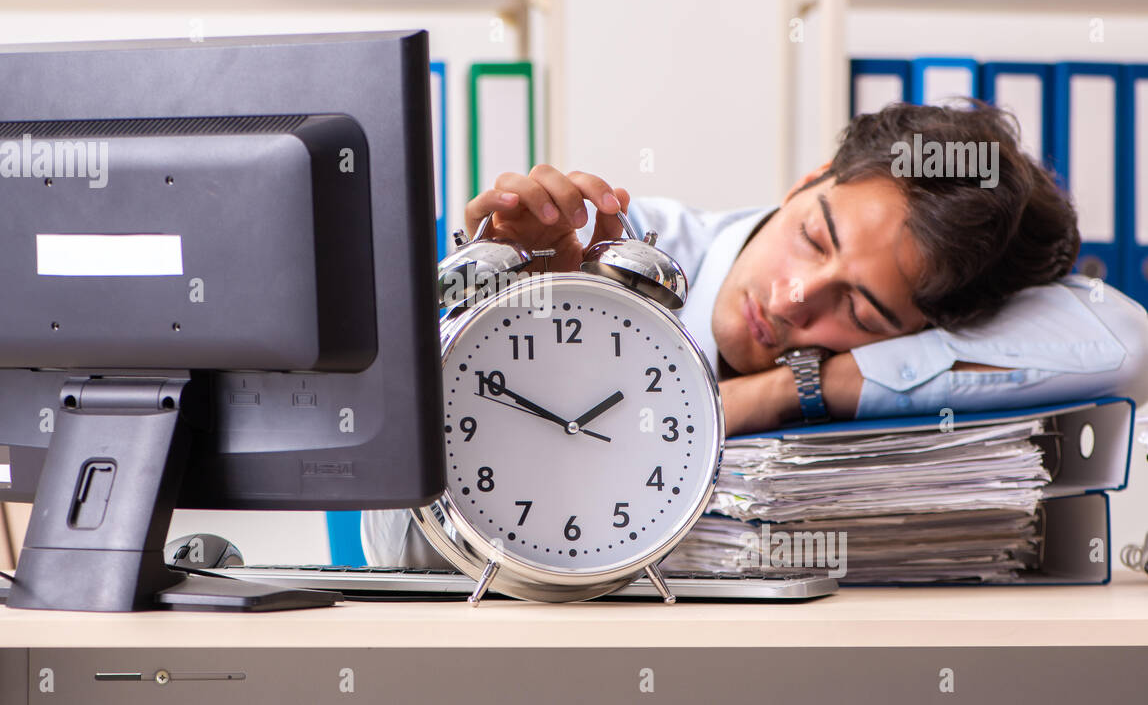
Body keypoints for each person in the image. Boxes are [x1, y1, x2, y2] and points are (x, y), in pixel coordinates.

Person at [363, 101, 1148, 567]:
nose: (797, 296)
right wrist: (497, 318)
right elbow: (392, 539)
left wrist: (794, 391)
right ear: (808, 182)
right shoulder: (617, 244)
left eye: (864, 310)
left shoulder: (850, 367)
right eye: (815, 234)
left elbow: (1122, 338)